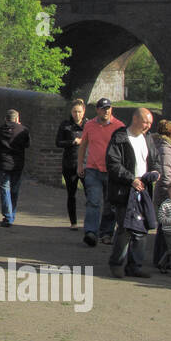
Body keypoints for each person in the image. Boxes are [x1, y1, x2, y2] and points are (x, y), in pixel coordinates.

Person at [105, 106, 157, 277]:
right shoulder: (120, 138)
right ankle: (117, 263)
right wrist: (131, 179)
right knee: (125, 228)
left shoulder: (148, 139)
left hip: (143, 190)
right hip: (124, 190)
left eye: (150, 123)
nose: (148, 126)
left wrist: (155, 173)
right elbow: (113, 164)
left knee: (142, 230)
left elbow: (154, 160)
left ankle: (135, 266)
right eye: (145, 122)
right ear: (135, 119)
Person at [77, 98, 123, 248]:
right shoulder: (90, 125)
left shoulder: (119, 126)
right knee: (94, 201)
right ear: (97, 110)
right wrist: (80, 165)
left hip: (112, 171)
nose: (106, 111)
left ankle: (106, 233)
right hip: (93, 169)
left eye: (108, 108)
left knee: (110, 204)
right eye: (103, 108)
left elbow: (124, 150)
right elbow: (83, 146)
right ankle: (91, 232)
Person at [151, 119, 171, 267]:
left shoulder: (168, 148)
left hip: (169, 193)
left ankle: (165, 258)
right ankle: (164, 259)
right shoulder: (166, 149)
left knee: (166, 229)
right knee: (168, 230)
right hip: (168, 194)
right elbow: (165, 175)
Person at [0, 108, 30, 227]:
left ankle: (7, 217)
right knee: (14, 189)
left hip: (3, 164)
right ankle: (11, 215)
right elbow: (27, 145)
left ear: (5, 119)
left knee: (4, 189)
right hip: (18, 164)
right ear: (17, 119)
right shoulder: (23, 130)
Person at [55, 99, 86, 229]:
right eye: (74, 112)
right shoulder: (65, 125)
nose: (77, 114)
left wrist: (83, 140)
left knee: (90, 194)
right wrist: (71, 142)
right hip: (70, 163)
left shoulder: (89, 125)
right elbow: (58, 142)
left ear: (83, 112)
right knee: (71, 194)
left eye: (79, 112)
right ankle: (73, 222)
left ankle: (89, 222)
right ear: (71, 112)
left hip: (86, 163)